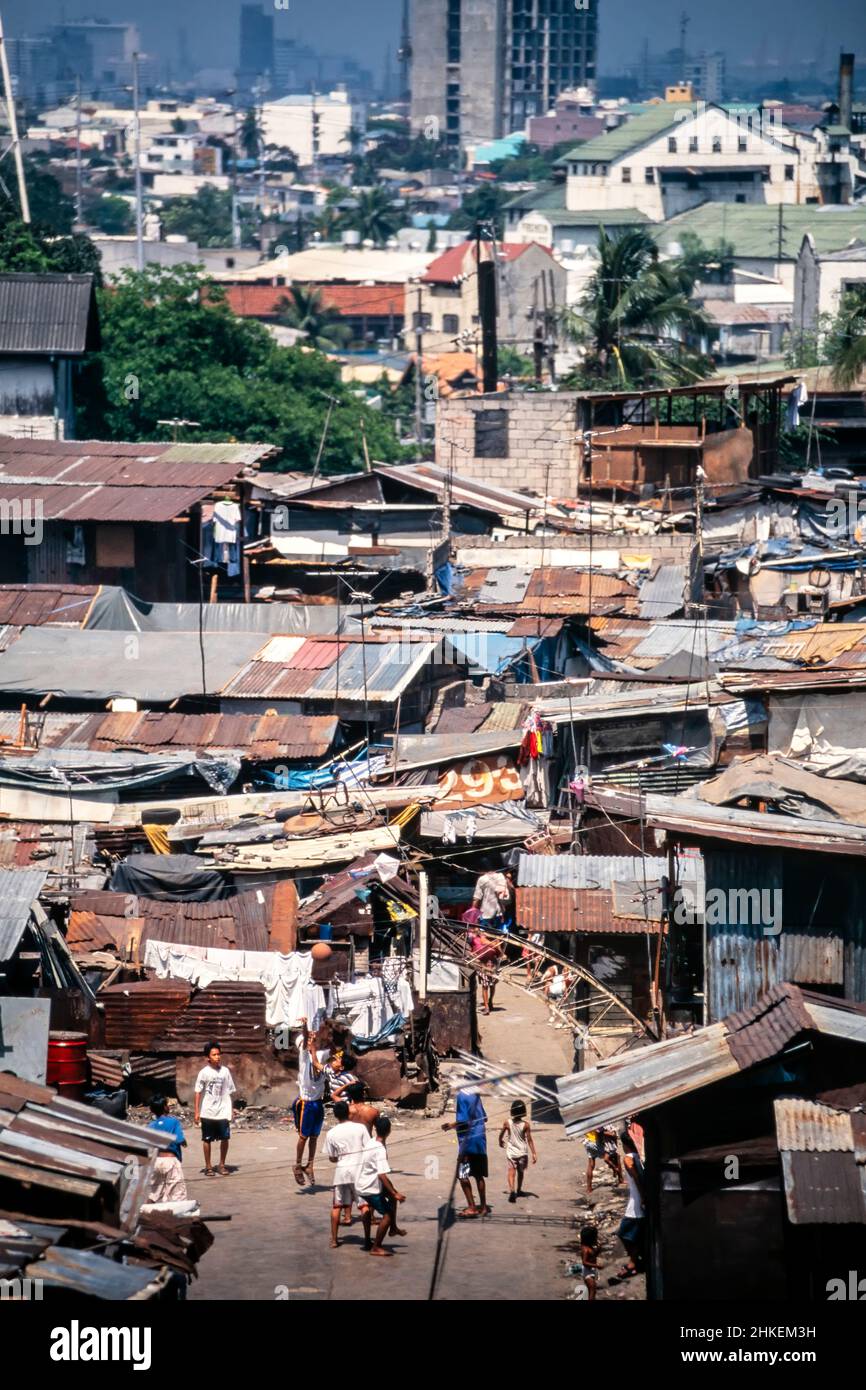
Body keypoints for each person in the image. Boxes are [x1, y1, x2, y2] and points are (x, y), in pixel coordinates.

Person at [357, 1115, 406, 1257]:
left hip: (364, 1181)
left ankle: (393, 1228)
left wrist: (393, 1192)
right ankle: (376, 1247)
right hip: (369, 1187)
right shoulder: (379, 1149)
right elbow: (382, 1175)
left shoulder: (372, 1141)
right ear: (389, 1131)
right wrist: (394, 1192)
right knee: (388, 1215)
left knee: (392, 1197)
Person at [324, 1100, 370, 1248]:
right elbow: (368, 1149)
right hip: (359, 1171)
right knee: (363, 1206)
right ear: (349, 1113)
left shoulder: (331, 1133)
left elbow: (332, 1158)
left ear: (335, 1115)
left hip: (342, 1171)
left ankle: (334, 1239)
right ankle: (368, 1239)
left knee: (337, 1206)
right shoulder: (360, 1128)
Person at [292, 1016, 330, 1187]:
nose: (311, 1039)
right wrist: (306, 1027)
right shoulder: (304, 1056)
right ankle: (298, 1164)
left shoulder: (320, 1055)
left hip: (318, 1103)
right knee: (303, 1136)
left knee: (314, 1136)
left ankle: (310, 1165)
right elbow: (306, 1038)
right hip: (306, 1103)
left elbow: (336, 1051)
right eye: (308, 1039)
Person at [442, 1080, 489, 1217]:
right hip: (480, 1140)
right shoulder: (476, 1094)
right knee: (479, 1175)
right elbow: (484, 1118)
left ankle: (472, 1207)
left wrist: (449, 1125)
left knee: (462, 1174)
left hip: (468, 1142)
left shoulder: (462, 1096)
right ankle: (484, 1207)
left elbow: (463, 1121)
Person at [194, 1042, 236, 1177]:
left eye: (219, 1054)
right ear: (208, 1057)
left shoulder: (225, 1071)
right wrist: (197, 1112)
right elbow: (198, 1092)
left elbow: (229, 1091)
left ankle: (222, 1164)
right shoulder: (204, 1073)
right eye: (214, 1055)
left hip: (223, 1110)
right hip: (208, 1111)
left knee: (225, 1138)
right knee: (207, 1139)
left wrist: (231, 1109)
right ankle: (208, 1166)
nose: (217, 1057)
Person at [613, 1129, 646, 1282]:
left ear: (625, 1144)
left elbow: (637, 1178)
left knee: (624, 1233)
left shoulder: (628, 1159)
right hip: (638, 1200)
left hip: (636, 1203)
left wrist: (643, 1197)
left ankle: (633, 1262)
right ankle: (635, 1260)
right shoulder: (638, 1157)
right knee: (633, 1234)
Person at [146, 1096, 188, 1204]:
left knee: (153, 1194)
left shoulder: (151, 1125)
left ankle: (142, 1213)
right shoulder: (173, 1122)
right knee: (177, 1195)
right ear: (165, 1107)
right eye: (167, 1104)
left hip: (156, 1162)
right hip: (170, 1161)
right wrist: (184, 1142)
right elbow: (179, 1139)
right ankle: (173, 1218)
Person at [498, 1098, 537, 1203]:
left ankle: (512, 1190)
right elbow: (529, 1140)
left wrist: (500, 1140)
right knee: (521, 1172)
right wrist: (534, 1153)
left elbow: (501, 1133)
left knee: (511, 1172)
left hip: (511, 1153)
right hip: (522, 1153)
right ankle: (519, 1190)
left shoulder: (507, 1122)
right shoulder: (526, 1125)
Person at [467, 928, 505, 1015]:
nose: (477, 930)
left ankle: (490, 1001)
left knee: (492, 985)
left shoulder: (491, 939)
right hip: (482, 965)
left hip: (493, 964)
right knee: (485, 986)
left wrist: (496, 944)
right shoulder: (473, 938)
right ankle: (486, 1006)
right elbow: (470, 949)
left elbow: (499, 952)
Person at [579, 1224, 600, 1301]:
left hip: (591, 1270)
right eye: (595, 1237)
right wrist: (597, 1266)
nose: (596, 1239)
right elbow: (584, 1262)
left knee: (593, 1290)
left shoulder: (589, 1247)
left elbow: (593, 1256)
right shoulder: (585, 1249)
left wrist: (598, 1250)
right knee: (592, 1289)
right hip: (587, 1272)